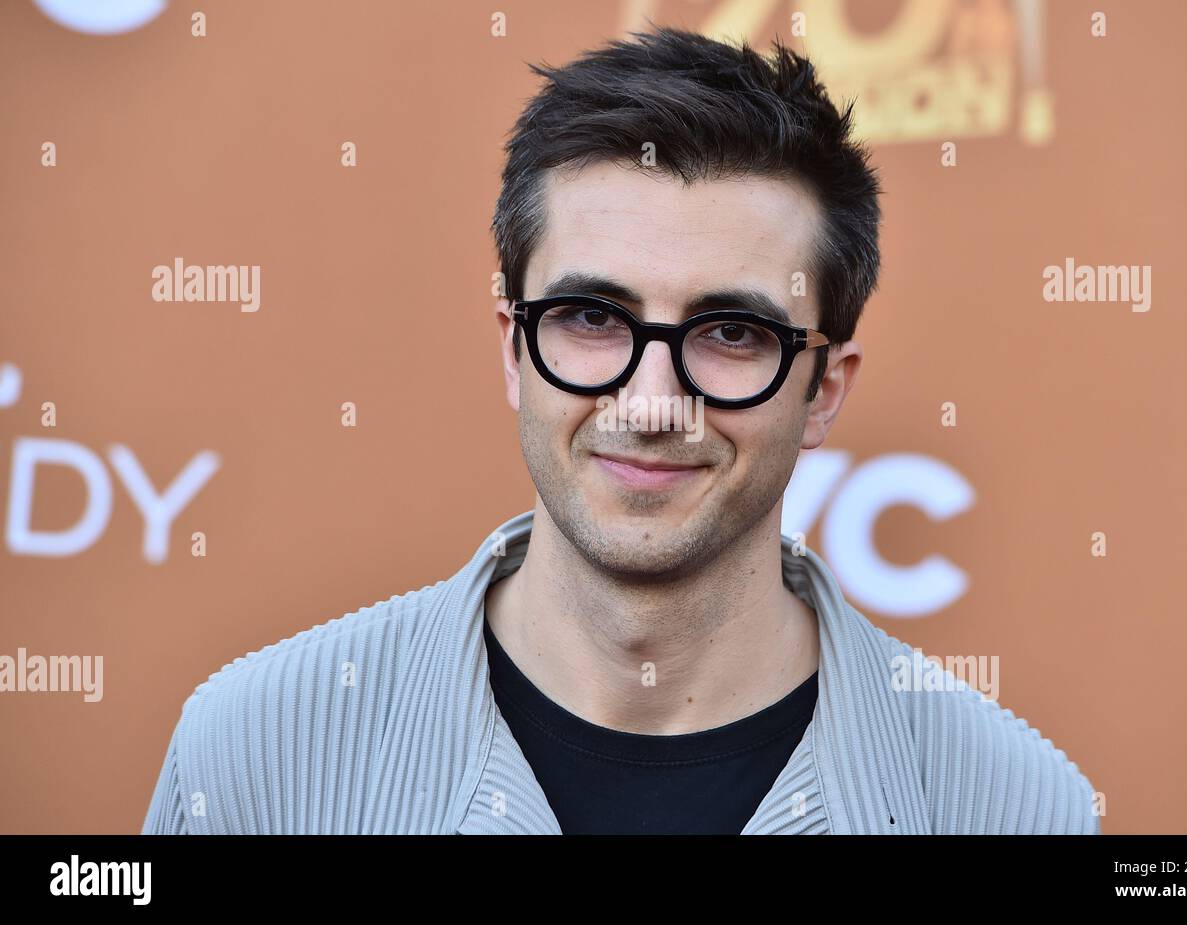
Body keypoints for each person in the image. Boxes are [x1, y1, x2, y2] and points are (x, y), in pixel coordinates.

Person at [142, 25, 1098, 835]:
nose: (650, 403)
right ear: (514, 349)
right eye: (593, 319)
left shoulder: (1016, 808)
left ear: (823, 389)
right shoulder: (252, 757)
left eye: (731, 331)